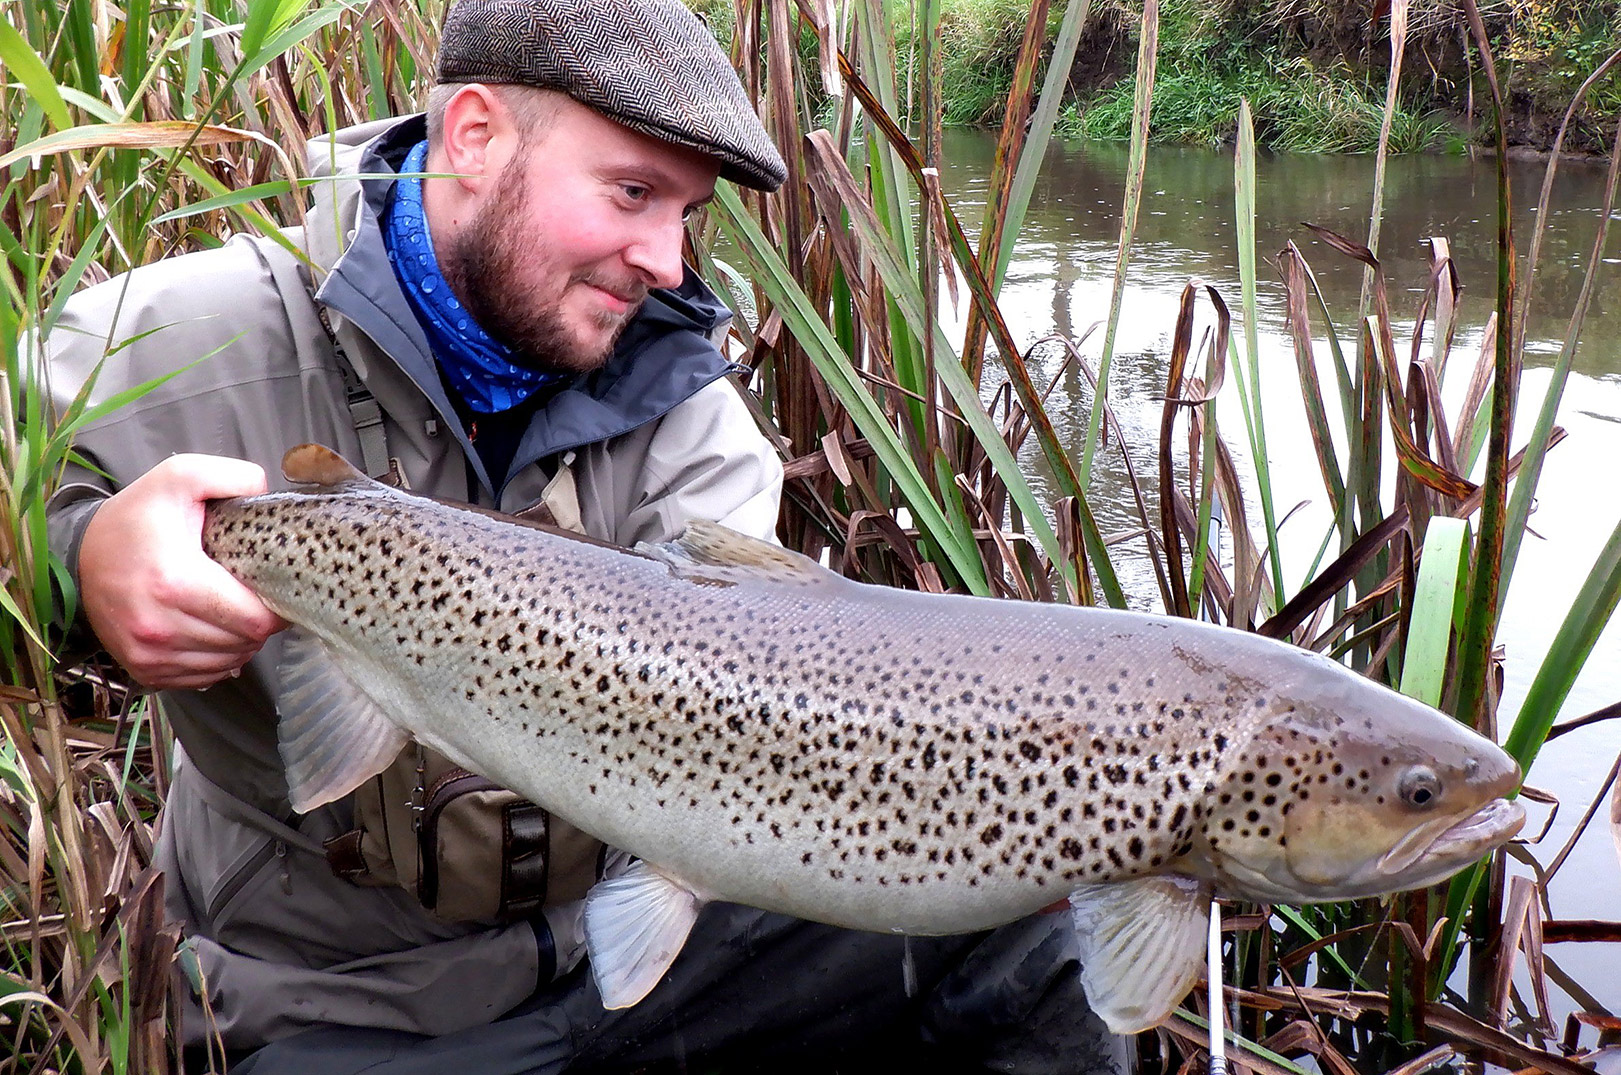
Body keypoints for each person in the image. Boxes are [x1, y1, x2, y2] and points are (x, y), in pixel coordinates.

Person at [44, 1, 1125, 1072]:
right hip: (326, 1006)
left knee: (1029, 918)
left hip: (614, 978)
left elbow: (735, 699)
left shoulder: (691, 420)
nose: (665, 259)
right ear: (474, 136)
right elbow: (27, 527)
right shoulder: (167, 340)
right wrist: (79, 564)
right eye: (632, 193)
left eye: (686, 214)